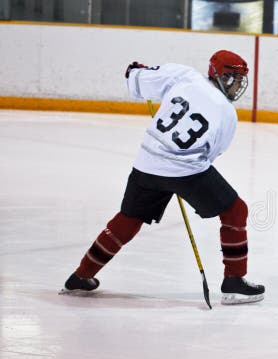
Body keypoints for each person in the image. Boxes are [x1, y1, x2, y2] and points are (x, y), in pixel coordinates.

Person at [61, 50, 264, 305]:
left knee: (128, 219)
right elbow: (213, 154)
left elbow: (135, 79)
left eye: (239, 80)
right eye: (233, 78)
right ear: (219, 75)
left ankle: (81, 276)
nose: (237, 86)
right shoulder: (226, 112)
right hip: (187, 171)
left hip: (147, 162)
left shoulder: (183, 75)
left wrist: (136, 71)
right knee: (235, 211)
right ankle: (234, 282)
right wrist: (180, 176)